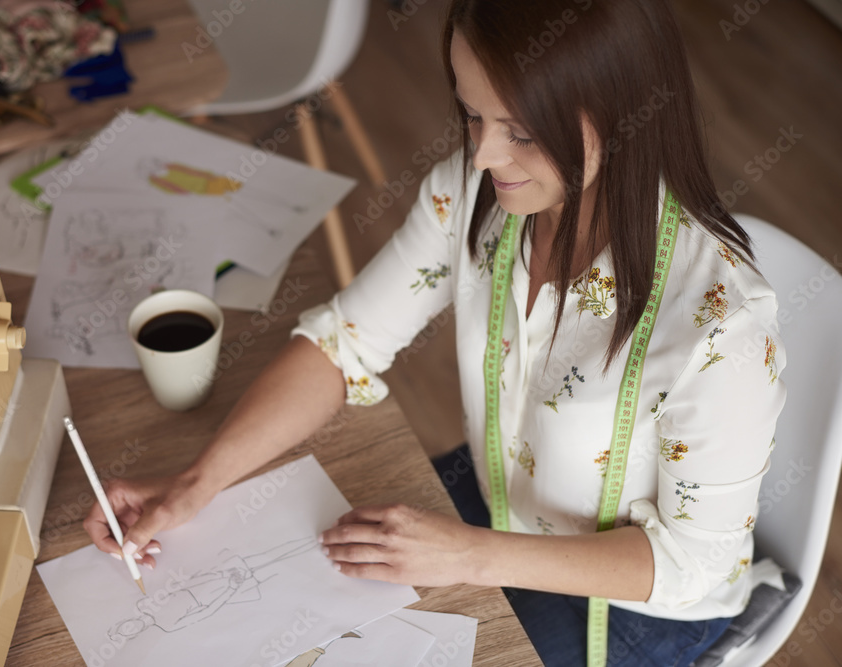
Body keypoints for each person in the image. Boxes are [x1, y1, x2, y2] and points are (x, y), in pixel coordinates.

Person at [84, 1, 787, 664]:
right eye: (473, 115)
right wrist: (194, 484)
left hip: (639, 603)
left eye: (521, 132)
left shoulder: (722, 327)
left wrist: (468, 554)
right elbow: (344, 343)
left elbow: (691, 566)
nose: (481, 156)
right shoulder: (477, 194)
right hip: (495, 505)